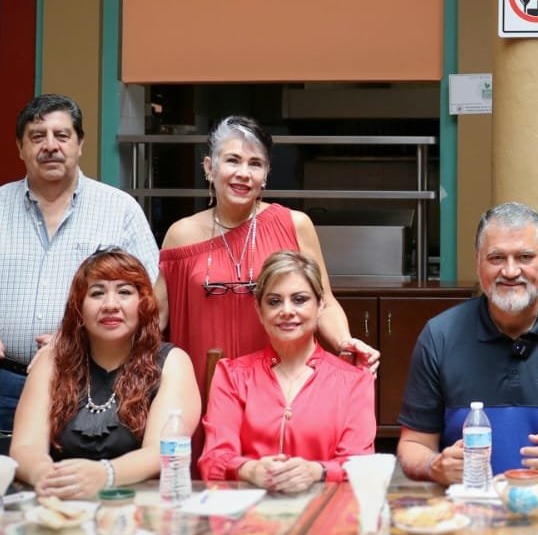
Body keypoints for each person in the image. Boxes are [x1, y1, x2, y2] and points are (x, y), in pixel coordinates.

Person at [0, 94, 160, 433]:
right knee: (1, 478)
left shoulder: (120, 210)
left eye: (62, 135)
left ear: (80, 143)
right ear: (19, 146)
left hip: (91, 380)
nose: (50, 146)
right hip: (0, 384)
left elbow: (151, 297)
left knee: (79, 480)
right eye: (37, 136)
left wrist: (75, 337)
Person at [399, 202, 538, 486]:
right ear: (478, 261)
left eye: (524, 257)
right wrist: (434, 465)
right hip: (469, 508)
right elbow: (412, 447)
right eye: (496, 258)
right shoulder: (440, 336)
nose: (510, 271)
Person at [157, 116, 378, 395]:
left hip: (278, 381)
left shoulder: (295, 225)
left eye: (255, 164)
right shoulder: (181, 234)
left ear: (266, 174)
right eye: (232, 160)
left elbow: (326, 304)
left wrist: (345, 342)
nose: (244, 173)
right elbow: (157, 319)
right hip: (201, 382)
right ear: (209, 168)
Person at [10, 249, 200, 499]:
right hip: (61, 502)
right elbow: (25, 446)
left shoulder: (172, 362)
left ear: (144, 303)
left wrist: (105, 474)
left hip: (140, 505)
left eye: (124, 292)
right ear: (79, 306)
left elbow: (160, 451)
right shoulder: (52, 360)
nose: (111, 305)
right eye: (97, 293)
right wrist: (49, 477)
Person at [199, 251, 376, 491]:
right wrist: (249, 469)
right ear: (260, 311)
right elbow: (213, 460)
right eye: (274, 301)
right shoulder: (232, 375)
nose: (286, 311)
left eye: (300, 299)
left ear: (321, 305)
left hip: (326, 513)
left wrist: (317, 471)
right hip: (248, 515)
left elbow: (361, 463)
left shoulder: (354, 380)